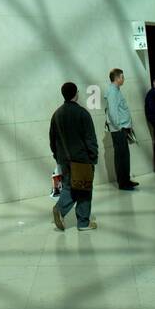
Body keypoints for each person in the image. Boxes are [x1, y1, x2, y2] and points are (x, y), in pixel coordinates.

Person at [49, 82, 99, 230]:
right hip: (82, 159)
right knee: (84, 189)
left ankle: (60, 209)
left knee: (69, 186)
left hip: (64, 159)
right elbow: (90, 138)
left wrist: (57, 156)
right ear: (76, 94)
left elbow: (52, 140)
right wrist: (93, 157)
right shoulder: (83, 113)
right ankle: (83, 222)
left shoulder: (56, 115)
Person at [105, 68, 139, 190]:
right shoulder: (113, 92)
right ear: (117, 78)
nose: (123, 79)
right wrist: (119, 127)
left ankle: (126, 180)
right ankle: (123, 183)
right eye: (122, 77)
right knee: (121, 156)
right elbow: (113, 112)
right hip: (119, 129)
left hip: (122, 128)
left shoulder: (116, 90)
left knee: (124, 155)